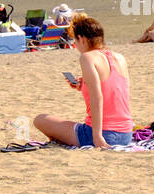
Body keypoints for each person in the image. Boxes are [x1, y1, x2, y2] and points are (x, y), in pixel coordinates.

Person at [33, 15, 133, 149]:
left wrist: (97, 137)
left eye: (75, 40)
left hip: (103, 134)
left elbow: (97, 97)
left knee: (40, 120)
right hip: (126, 134)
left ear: (81, 38)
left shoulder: (87, 57)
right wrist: (83, 85)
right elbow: (114, 89)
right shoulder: (119, 58)